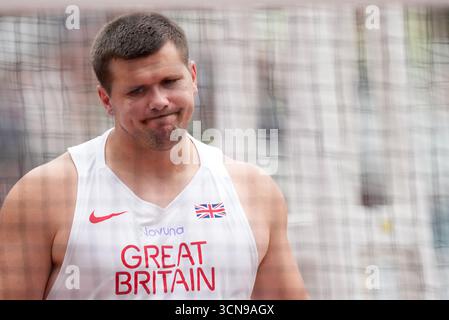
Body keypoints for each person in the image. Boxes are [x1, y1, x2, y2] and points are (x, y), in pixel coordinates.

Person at [0, 12, 309, 300]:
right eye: (137, 91)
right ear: (106, 100)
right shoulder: (43, 194)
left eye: (169, 82)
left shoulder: (253, 190)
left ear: (193, 76)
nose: (159, 101)